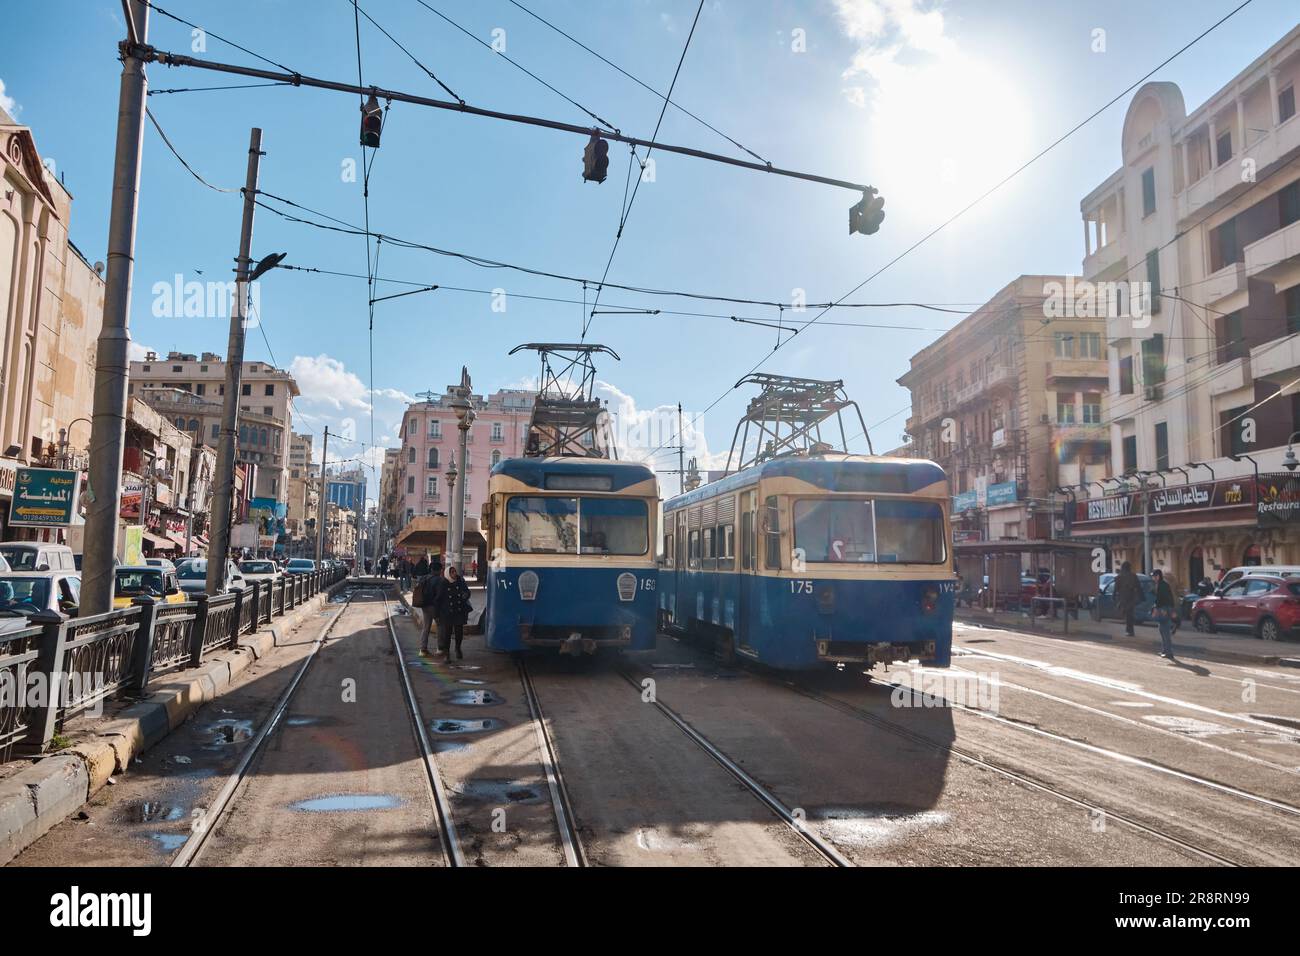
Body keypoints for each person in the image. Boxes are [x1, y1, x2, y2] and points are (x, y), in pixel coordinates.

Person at [432, 565, 473, 662]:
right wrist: (436, 615)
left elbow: (467, 592)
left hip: (459, 611)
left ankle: (458, 649)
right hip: (447, 613)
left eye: (455, 571)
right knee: (447, 634)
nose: (455, 574)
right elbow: (437, 600)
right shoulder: (443, 583)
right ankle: (447, 654)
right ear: (448, 574)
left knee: (459, 632)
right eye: (452, 572)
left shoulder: (460, 581)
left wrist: (465, 595)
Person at [1152, 568, 1176, 658]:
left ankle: (1168, 652)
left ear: (1158, 576)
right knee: (1163, 630)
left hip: (1163, 610)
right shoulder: (1165, 584)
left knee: (1164, 631)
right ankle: (1165, 650)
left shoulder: (1161, 585)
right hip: (1166, 609)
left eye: (1154, 576)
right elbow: (1170, 598)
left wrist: (1155, 609)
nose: (1153, 578)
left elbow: (1160, 599)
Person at [1115, 561, 1140, 637]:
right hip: (1131, 598)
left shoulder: (1119, 576)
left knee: (1126, 613)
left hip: (1123, 598)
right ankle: (1130, 630)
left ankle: (1129, 630)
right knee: (1130, 613)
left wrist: (1115, 597)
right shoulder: (1133, 576)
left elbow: (1116, 588)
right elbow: (1138, 586)